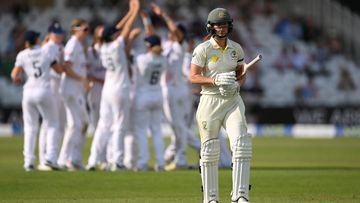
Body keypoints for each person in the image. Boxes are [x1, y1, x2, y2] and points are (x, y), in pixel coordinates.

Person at [189, 8, 252, 203]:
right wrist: (215, 81)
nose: (222, 29)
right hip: (210, 101)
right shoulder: (203, 49)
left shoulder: (236, 49)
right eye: (218, 25)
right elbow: (193, 77)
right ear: (211, 26)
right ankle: (210, 198)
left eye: (224, 25)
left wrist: (235, 84)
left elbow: (242, 74)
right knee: (209, 151)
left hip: (232, 100)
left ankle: (240, 195)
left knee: (241, 144)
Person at [11, 30, 63, 171]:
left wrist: (20, 79)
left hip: (28, 92)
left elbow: (14, 75)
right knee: (52, 123)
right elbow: (58, 70)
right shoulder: (46, 52)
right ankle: (51, 158)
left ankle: (28, 162)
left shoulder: (22, 54)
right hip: (44, 90)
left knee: (30, 128)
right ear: (37, 40)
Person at [98, 0, 140, 171]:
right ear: (113, 37)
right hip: (119, 89)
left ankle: (106, 158)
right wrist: (135, 11)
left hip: (107, 90)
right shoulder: (116, 46)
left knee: (107, 124)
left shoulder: (102, 47)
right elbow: (126, 29)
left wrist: (129, 12)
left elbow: (117, 29)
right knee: (119, 125)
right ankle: (117, 161)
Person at [57, 18, 90, 170]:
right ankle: (64, 159)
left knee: (83, 123)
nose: (86, 33)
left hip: (77, 90)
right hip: (70, 90)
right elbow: (67, 68)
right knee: (74, 124)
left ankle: (75, 158)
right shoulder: (72, 44)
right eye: (84, 30)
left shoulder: (78, 45)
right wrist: (82, 79)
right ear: (75, 30)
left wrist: (82, 81)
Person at [132, 35, 168, 171]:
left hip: (144, 96)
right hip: (157, 95)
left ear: (148, 46)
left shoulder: (142, 59)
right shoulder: (163, 59)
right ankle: (160, 162)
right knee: (157, 131)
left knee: (141, 131)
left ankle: (143, 162)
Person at [38, 22, 67, 171]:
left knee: (59, 124)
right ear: (49, 34)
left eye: (60, 33)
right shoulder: (47, 48)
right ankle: (45, 158)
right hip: (51, 85)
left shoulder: (60, 47)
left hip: (59, 86)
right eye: (56, 34)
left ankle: (54, 157)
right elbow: (55, 69)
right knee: (49, 123)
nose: (59, 36)